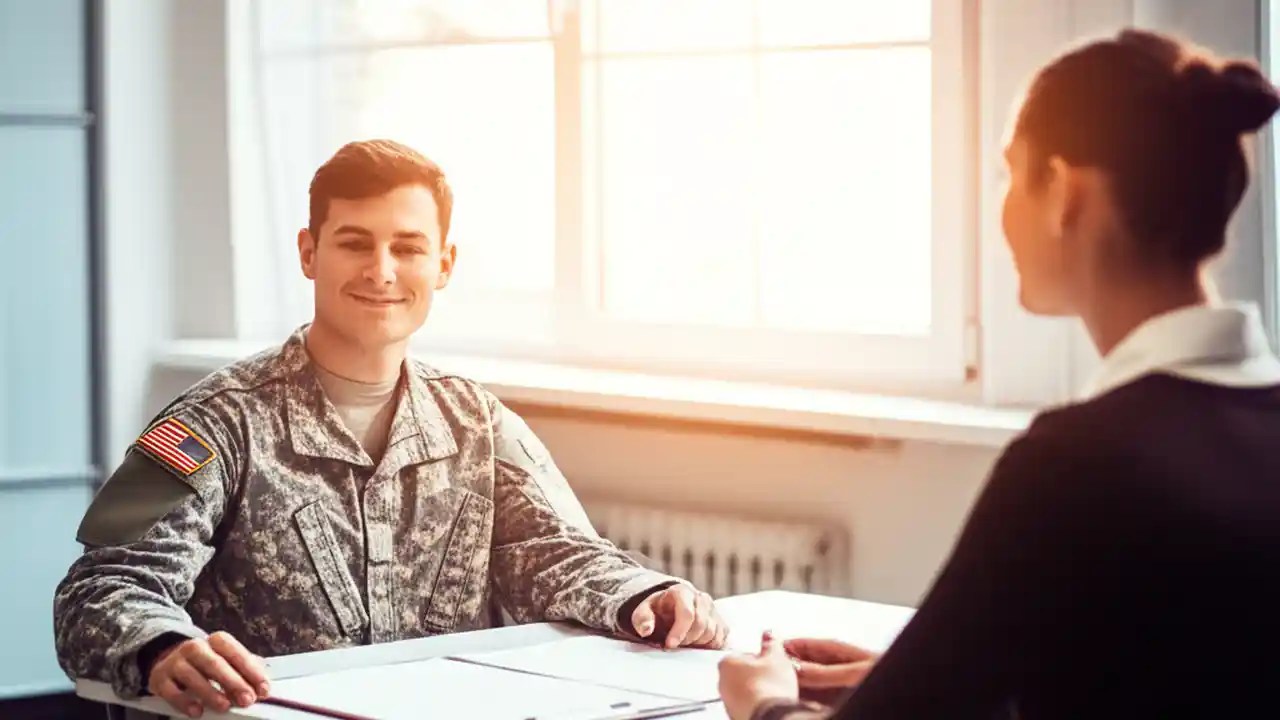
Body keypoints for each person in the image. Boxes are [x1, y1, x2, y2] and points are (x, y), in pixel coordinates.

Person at [55, 139, 727, 719]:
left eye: (408, 248)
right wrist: (165, 646)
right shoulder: (204, 424)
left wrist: (649, 596)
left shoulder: (479, 420)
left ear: (444, 265)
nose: (382, 271)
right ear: (309, 252)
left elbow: (556, 553)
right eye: (355, 243)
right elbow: (99, 585)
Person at [718, 29, 1280, 720]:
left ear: (1064, 191)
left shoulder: (1077, 465)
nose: (1002, 208)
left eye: (1011, 174)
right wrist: (929, 674)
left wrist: (765, 704)